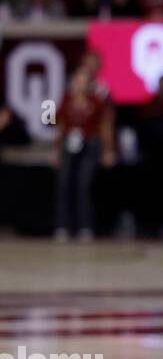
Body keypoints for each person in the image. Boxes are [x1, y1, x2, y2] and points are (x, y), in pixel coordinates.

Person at [53, 66, 114, 241]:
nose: (79, 85)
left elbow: (105, 126)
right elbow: (60, 126)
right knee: (63, 184)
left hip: (89, 144)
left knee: (83, 185)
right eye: (77, 81)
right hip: (68, 144)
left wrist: (107, 150)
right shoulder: (66, 100)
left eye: (83, 82)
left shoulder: (96, 101)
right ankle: (62, 225)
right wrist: (57, 150)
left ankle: (85, 226)